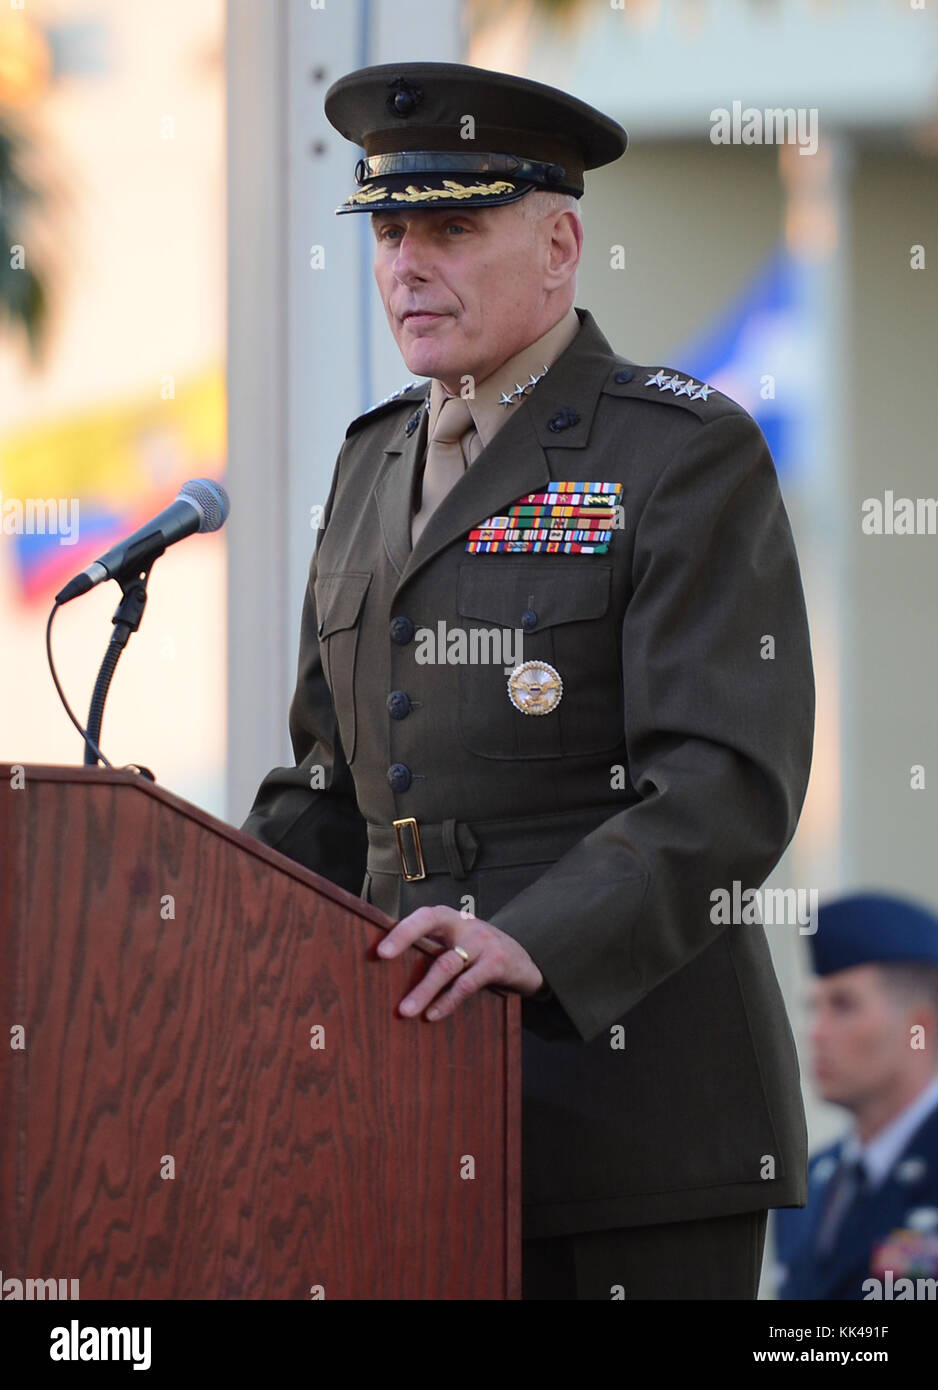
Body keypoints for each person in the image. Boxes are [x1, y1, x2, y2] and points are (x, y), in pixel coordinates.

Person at [242, 60, 816, 1299]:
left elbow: (724, 779)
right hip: (400, 1116)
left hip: (629, 1127)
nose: (407, 262)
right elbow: (325, 788)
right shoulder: (367, 463)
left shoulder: (674, 450)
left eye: (452, 226)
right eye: (390, 229)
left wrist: (527, 941)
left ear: (558, 245)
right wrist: (182, 928)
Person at [774, 893, 938, 1300]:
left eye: (843, 1006)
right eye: (815, 1007)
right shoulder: (809, 1184)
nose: (816, 1032)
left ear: (918, 1027)